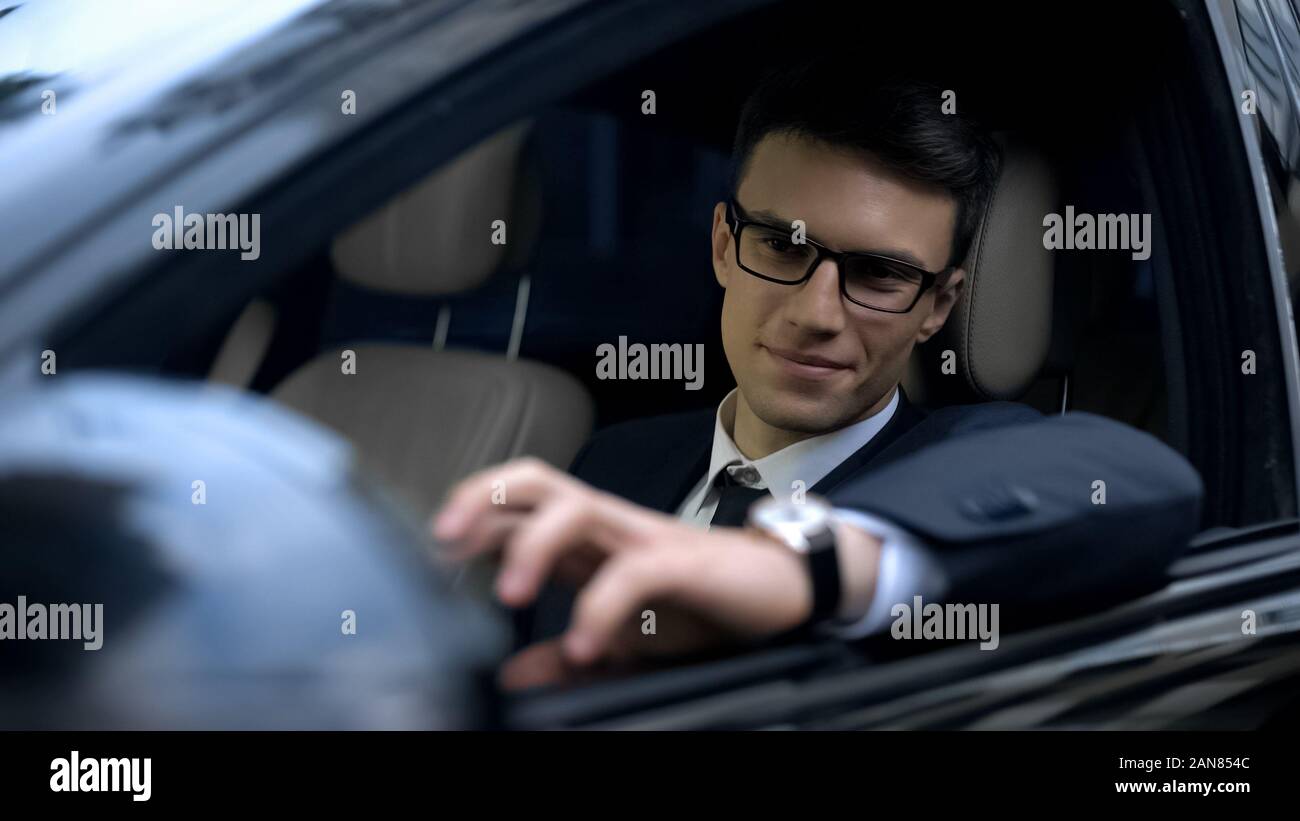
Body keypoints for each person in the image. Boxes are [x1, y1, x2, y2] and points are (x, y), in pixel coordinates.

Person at [432, 63, 1203, 689]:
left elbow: (1139, 475)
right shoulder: (616, 461)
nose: (817, 312)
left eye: (878, 273)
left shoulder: (967, 458)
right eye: (782, 246)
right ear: (723, 246)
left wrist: (805, 562)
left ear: (938, 306)